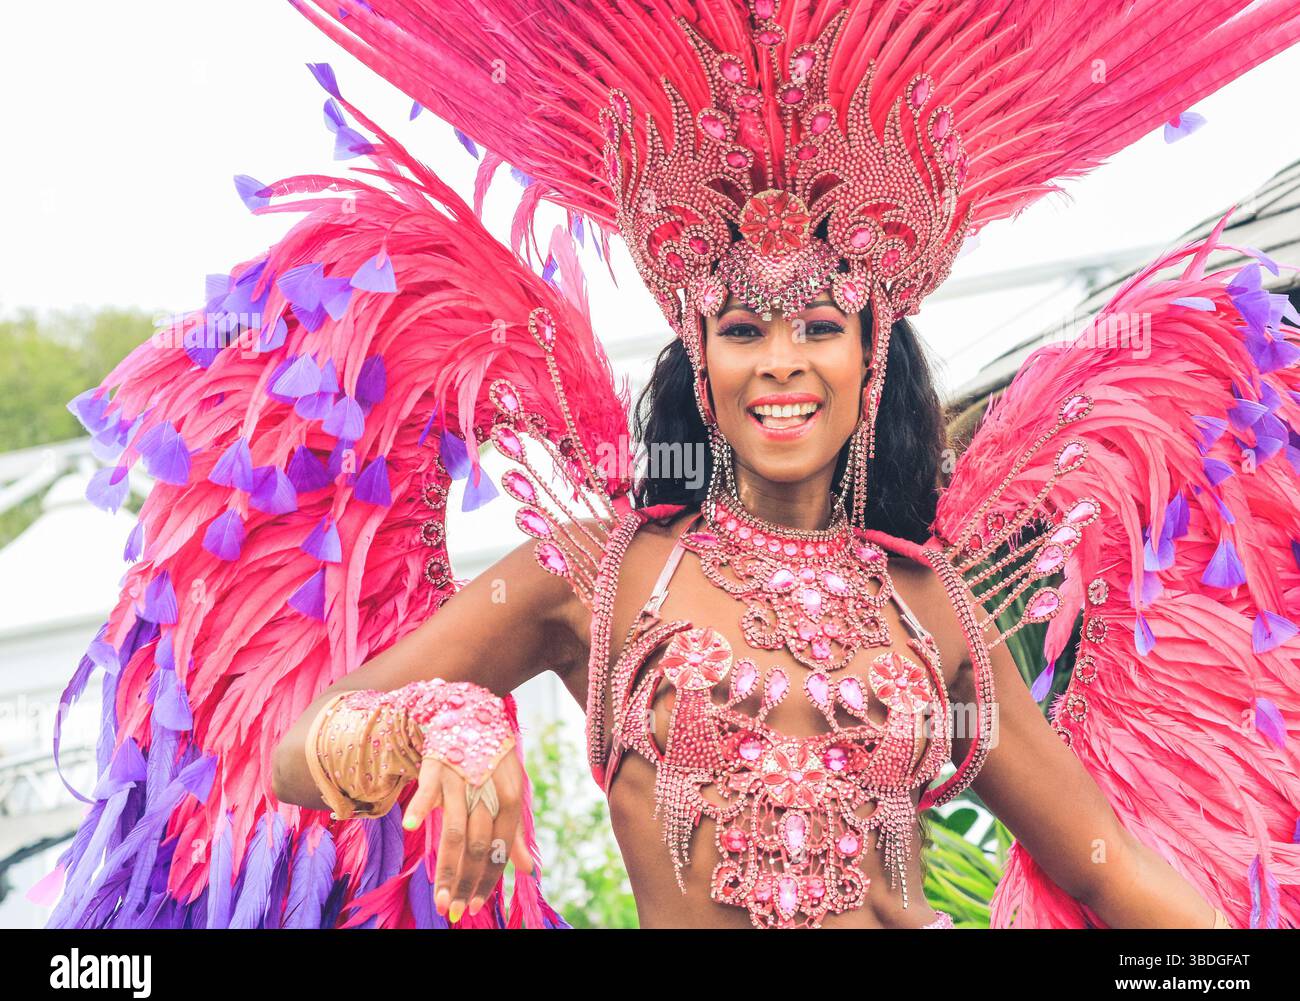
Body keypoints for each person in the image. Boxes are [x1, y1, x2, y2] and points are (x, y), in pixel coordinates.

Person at [42, 1, 1299, 929]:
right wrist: (443, 719)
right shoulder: (593, 576)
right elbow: (303, 744)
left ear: (872, 348)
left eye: (818, 324)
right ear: (697, 357)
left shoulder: (932, 606)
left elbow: (1098, 868)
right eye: (744, 328)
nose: (782, 364)